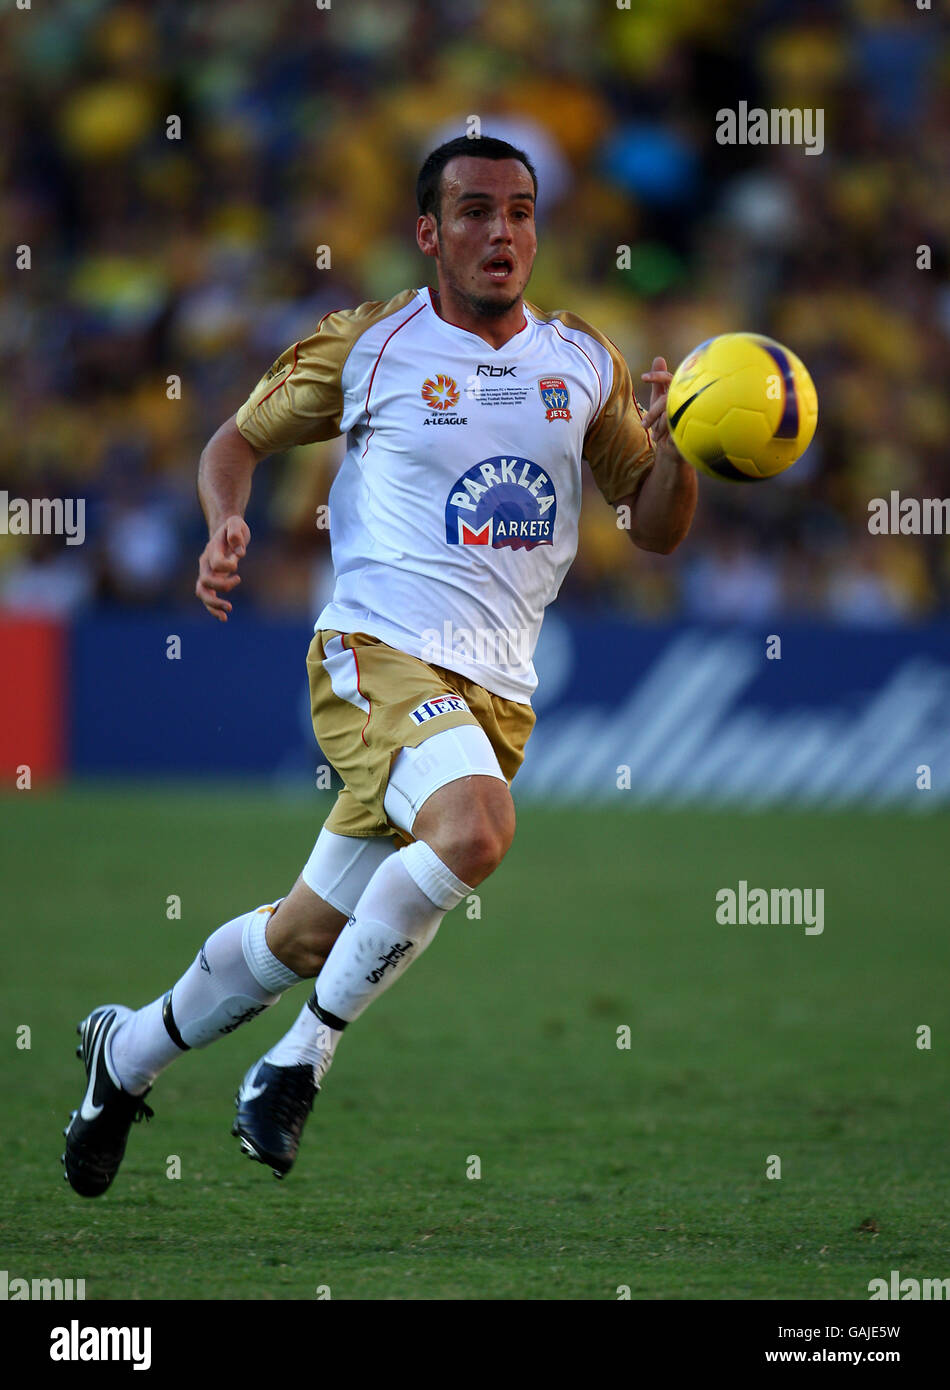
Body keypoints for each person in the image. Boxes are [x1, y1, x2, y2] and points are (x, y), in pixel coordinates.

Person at [62, 135, 696, 1196]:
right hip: (373, 650)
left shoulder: (585, 361)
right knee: (476, 827)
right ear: (427, 232)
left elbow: (655, 526)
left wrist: (674, 448)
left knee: (304, 933)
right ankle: (294, 1064)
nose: (502, 232)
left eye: (521, 211)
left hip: (493, 693)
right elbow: (233, 441)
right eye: (475, 211)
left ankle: (121, 1059)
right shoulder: (369, 344)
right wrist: (224, 525)